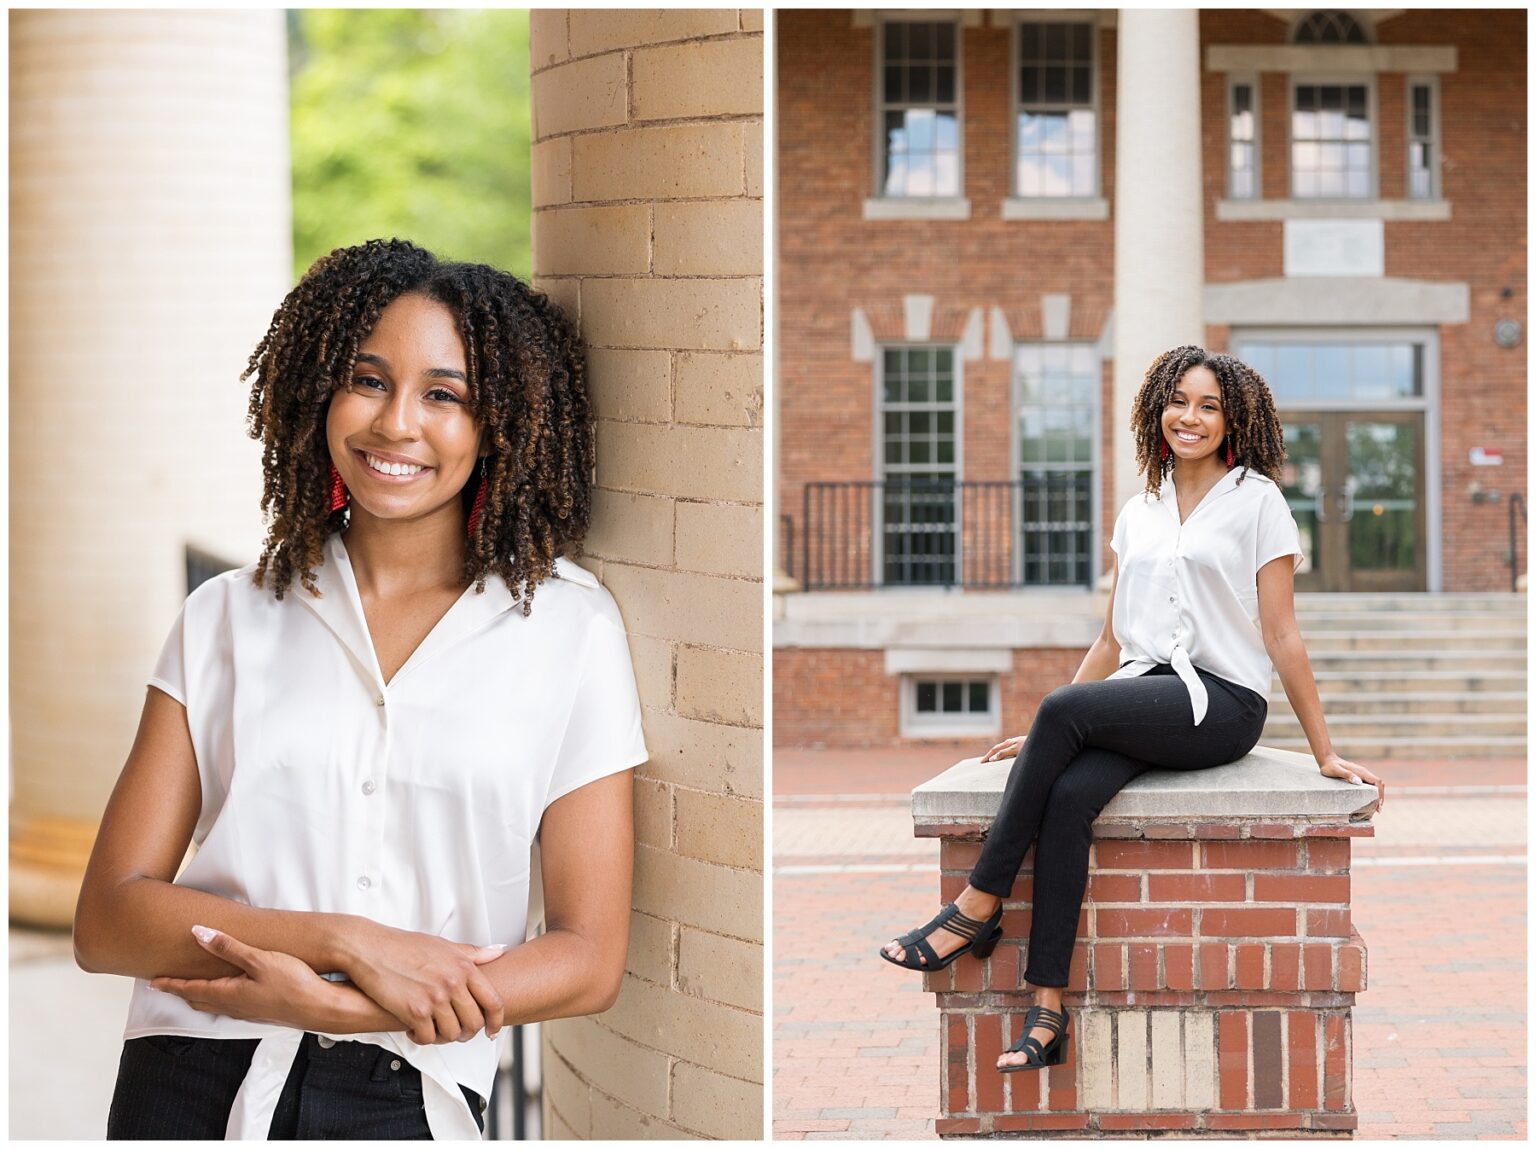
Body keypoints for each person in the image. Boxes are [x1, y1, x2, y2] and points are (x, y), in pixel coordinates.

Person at [74, 238, 648, 1139]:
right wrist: (348, 942)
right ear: (318, 392)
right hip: (192, 1072)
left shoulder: (573, 632)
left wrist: (359, 1009)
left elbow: (589, 955)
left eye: (444, 395)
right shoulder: (226, 616)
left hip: (410, 1088)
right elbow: (107, 919)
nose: (395, 424)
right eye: (369, 379)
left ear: (498, 423)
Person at [879, 345, 1385, 1073]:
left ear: (1233, 418)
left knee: (1061, 716)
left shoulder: (1258, 502)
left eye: (1209, 405)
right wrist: (1044, 733)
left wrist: (1324, 751)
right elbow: (1113, 636)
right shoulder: (1139, 510)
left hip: (1222, 703)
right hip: (1147, 690)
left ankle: (976, 907)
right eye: (1179, 400)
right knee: (1070, 795)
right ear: (1158, 410)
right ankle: (1047, 1008)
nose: (1191, 416)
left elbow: (1282, 634)